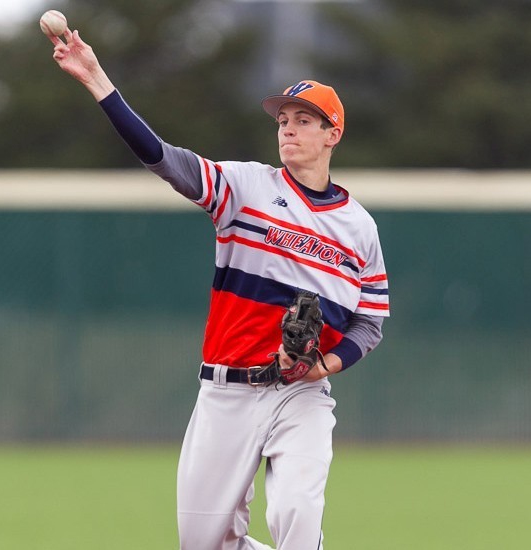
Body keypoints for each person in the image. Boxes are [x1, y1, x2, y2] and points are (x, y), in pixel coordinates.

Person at [50, 27, 389, 550]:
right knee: (203, 543)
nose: (289, 130)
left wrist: (325, 364)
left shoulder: (358, 227)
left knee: (297, 514)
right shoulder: (245, 187)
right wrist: (97, 80)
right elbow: (164, 158)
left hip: (300, 394)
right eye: (283, 120)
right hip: (225, 392)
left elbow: (369, 321)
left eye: (304, 121)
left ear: (332, 135)